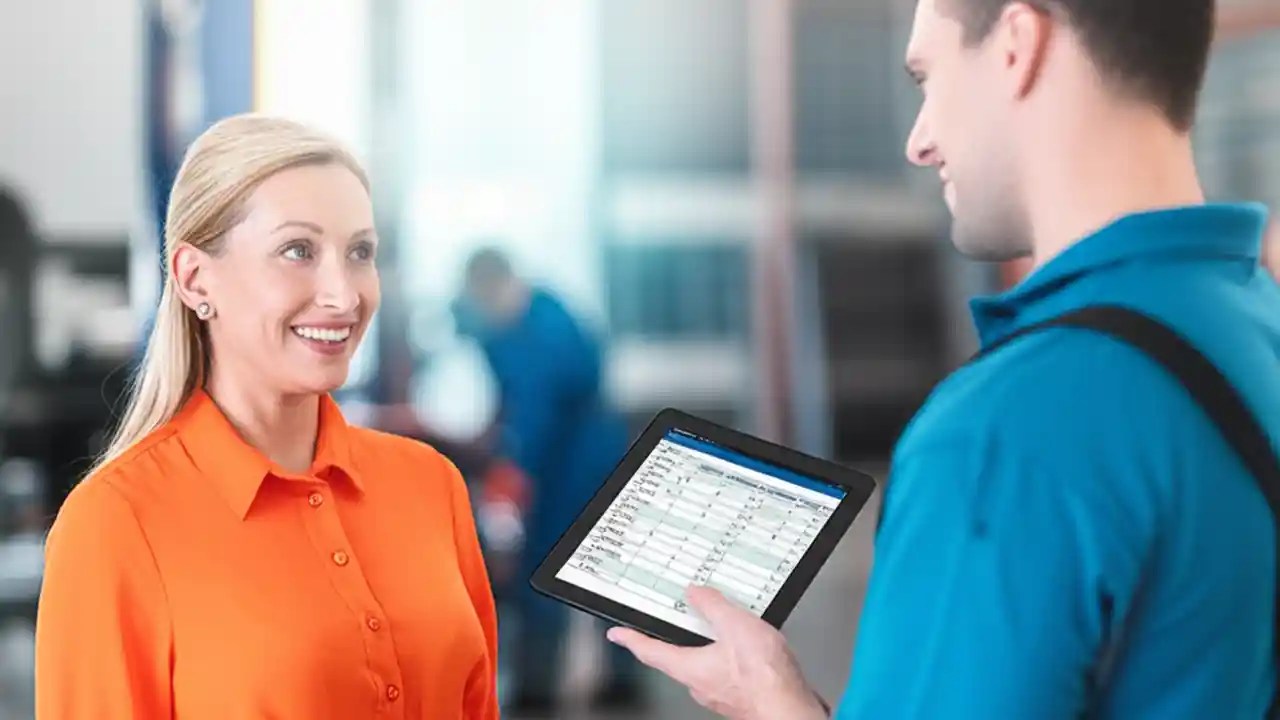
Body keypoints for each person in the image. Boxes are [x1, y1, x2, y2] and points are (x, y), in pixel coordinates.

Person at [608, 0, 1280, 718]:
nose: (918, 142)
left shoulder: (1010, 427)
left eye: (926, 76)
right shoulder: (1252, 323)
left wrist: (774, 704)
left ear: (1019, 45)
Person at [34, 115, 499, 719]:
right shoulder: (115, 524)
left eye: (360, 252)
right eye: (297, 251)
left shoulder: (430, 485)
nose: (343, 294)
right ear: (195, 278)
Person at [452, 247, 644, 714]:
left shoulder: (551, 325)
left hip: (583, 462)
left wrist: (511, 465)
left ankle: (610, 681)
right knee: (547, 572)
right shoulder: (501, 332)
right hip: (553, 469)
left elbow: (541, 409)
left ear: (497, 284)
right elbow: (510, 402)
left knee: (594, 571)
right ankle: (550, 684)